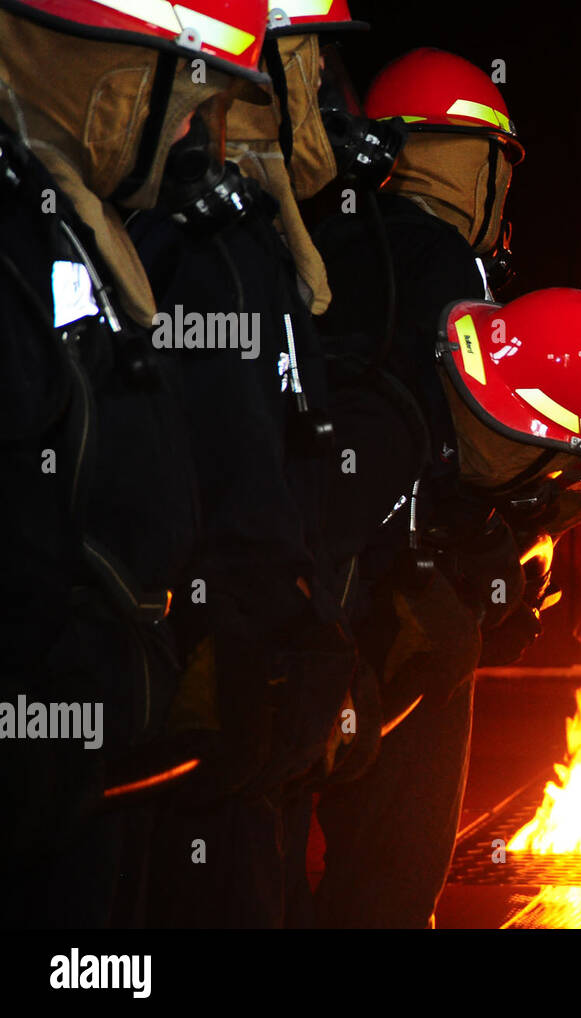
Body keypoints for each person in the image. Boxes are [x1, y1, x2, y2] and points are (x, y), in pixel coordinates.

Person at [309, 48, 581, 926]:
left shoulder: (319, 237)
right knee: (392, 867)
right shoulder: (442, 267)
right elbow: (450, 456)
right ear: (477, 163)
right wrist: (503, 556)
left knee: (268, 858)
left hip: (301, 607)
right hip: (404, 615)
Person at [0, 0, 269, 927]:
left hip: (93, 746)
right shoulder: (23, 230)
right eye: (178, 96)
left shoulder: (66, 219)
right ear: (105, 82)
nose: (191, 131)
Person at [127, 0, 383, 928]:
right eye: (309, 64)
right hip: (222, 672)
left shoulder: (256, 240)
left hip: (247, 664)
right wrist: (297, 641)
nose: (323, 95)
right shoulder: (207, 241)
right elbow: (236, 477)